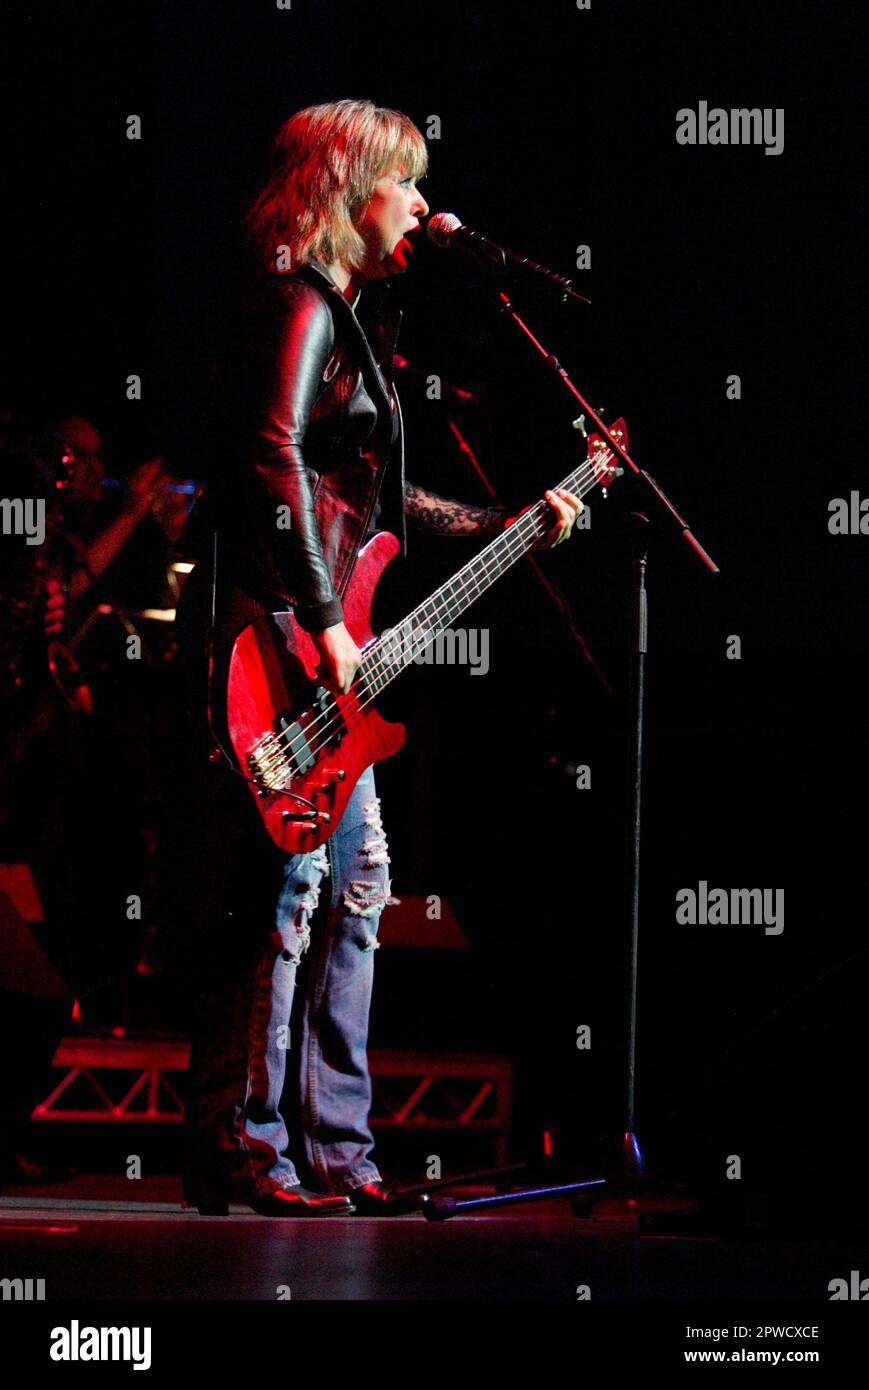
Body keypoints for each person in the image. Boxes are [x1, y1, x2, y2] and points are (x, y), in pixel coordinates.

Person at [174, 98, 582, 1217]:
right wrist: (332, 621)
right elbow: (271, 457)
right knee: (289, 896)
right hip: (284, 635)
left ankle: (334, 1150)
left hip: (321, 633)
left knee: (351, 888)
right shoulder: (299, 301)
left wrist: (508, 520)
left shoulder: (352, 319)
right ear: (351, 187)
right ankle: (249, 1148)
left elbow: (376, 499)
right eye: (404, 182)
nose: (421, 204)